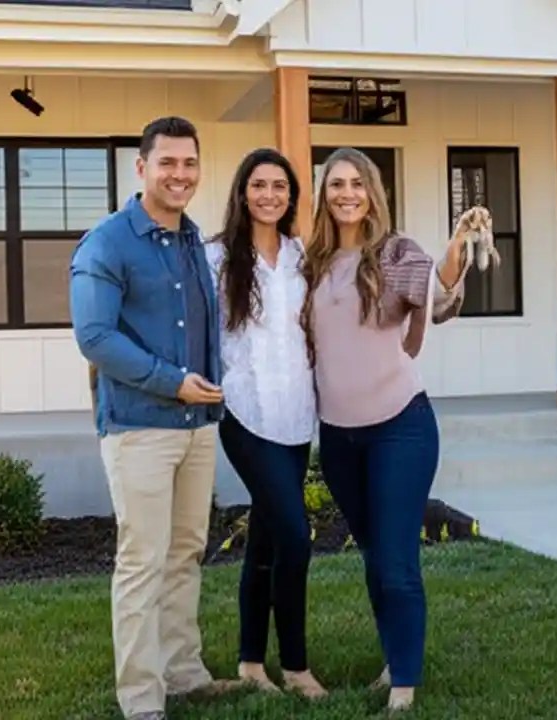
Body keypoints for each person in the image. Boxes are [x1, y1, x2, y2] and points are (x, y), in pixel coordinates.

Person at [298, 146, 485, 712]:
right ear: (324, 194)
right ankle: (392, 658)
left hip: (401, 428)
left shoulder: (394, 252)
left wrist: (457, 246)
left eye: (357, 183)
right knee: (375, 555)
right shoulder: (310, 264)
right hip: (338, 437)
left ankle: (403, 685)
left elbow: (439, 292)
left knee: (398, 558)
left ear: (372, 191)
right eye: (336, 184)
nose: (347, 193)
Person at [70, 116, 233, 720]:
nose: (180, 174)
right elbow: (94, 337)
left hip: (197, 427)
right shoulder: (108, 243)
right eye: (167, 163)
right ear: (141, 167)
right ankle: (141, 698)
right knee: (142, 560)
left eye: (189, 163)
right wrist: (174, 383)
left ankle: (184, 672)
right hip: (140, 425)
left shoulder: (193, 240)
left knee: (185, 551)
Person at [203, 148, 328, 699]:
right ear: (242, 192)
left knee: (266, 540)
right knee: (296, 540)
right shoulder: (216, 258)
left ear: (291, 196)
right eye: (259, 185)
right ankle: (297, 667)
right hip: (245, 412)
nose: (269, 195)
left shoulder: (304, 256)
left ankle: (252, 663)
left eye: (280, 186)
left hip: (297, 414)